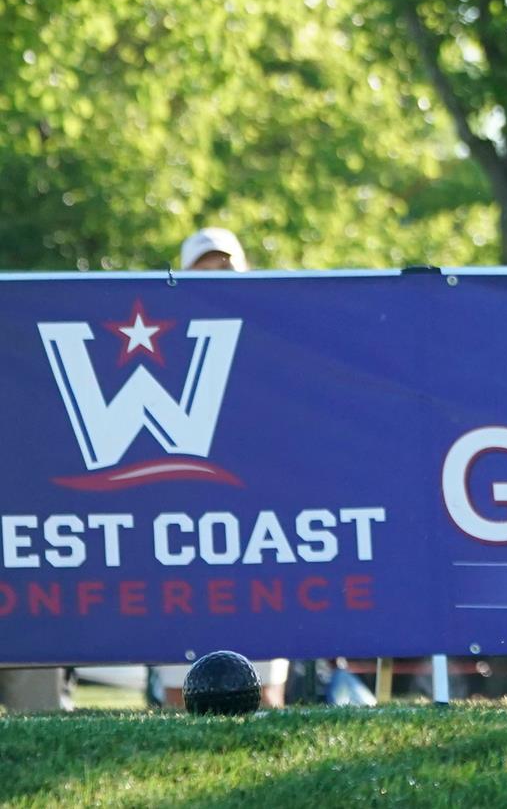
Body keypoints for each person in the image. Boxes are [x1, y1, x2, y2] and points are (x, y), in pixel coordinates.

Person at [146, 227, 290, 710]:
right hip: (182, 541)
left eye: (226, 266)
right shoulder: (156, 348)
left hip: (256, 537)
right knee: (178, 694)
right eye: (203, 268)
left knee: (264, 692)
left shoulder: (275, 342)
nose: (216, 277)